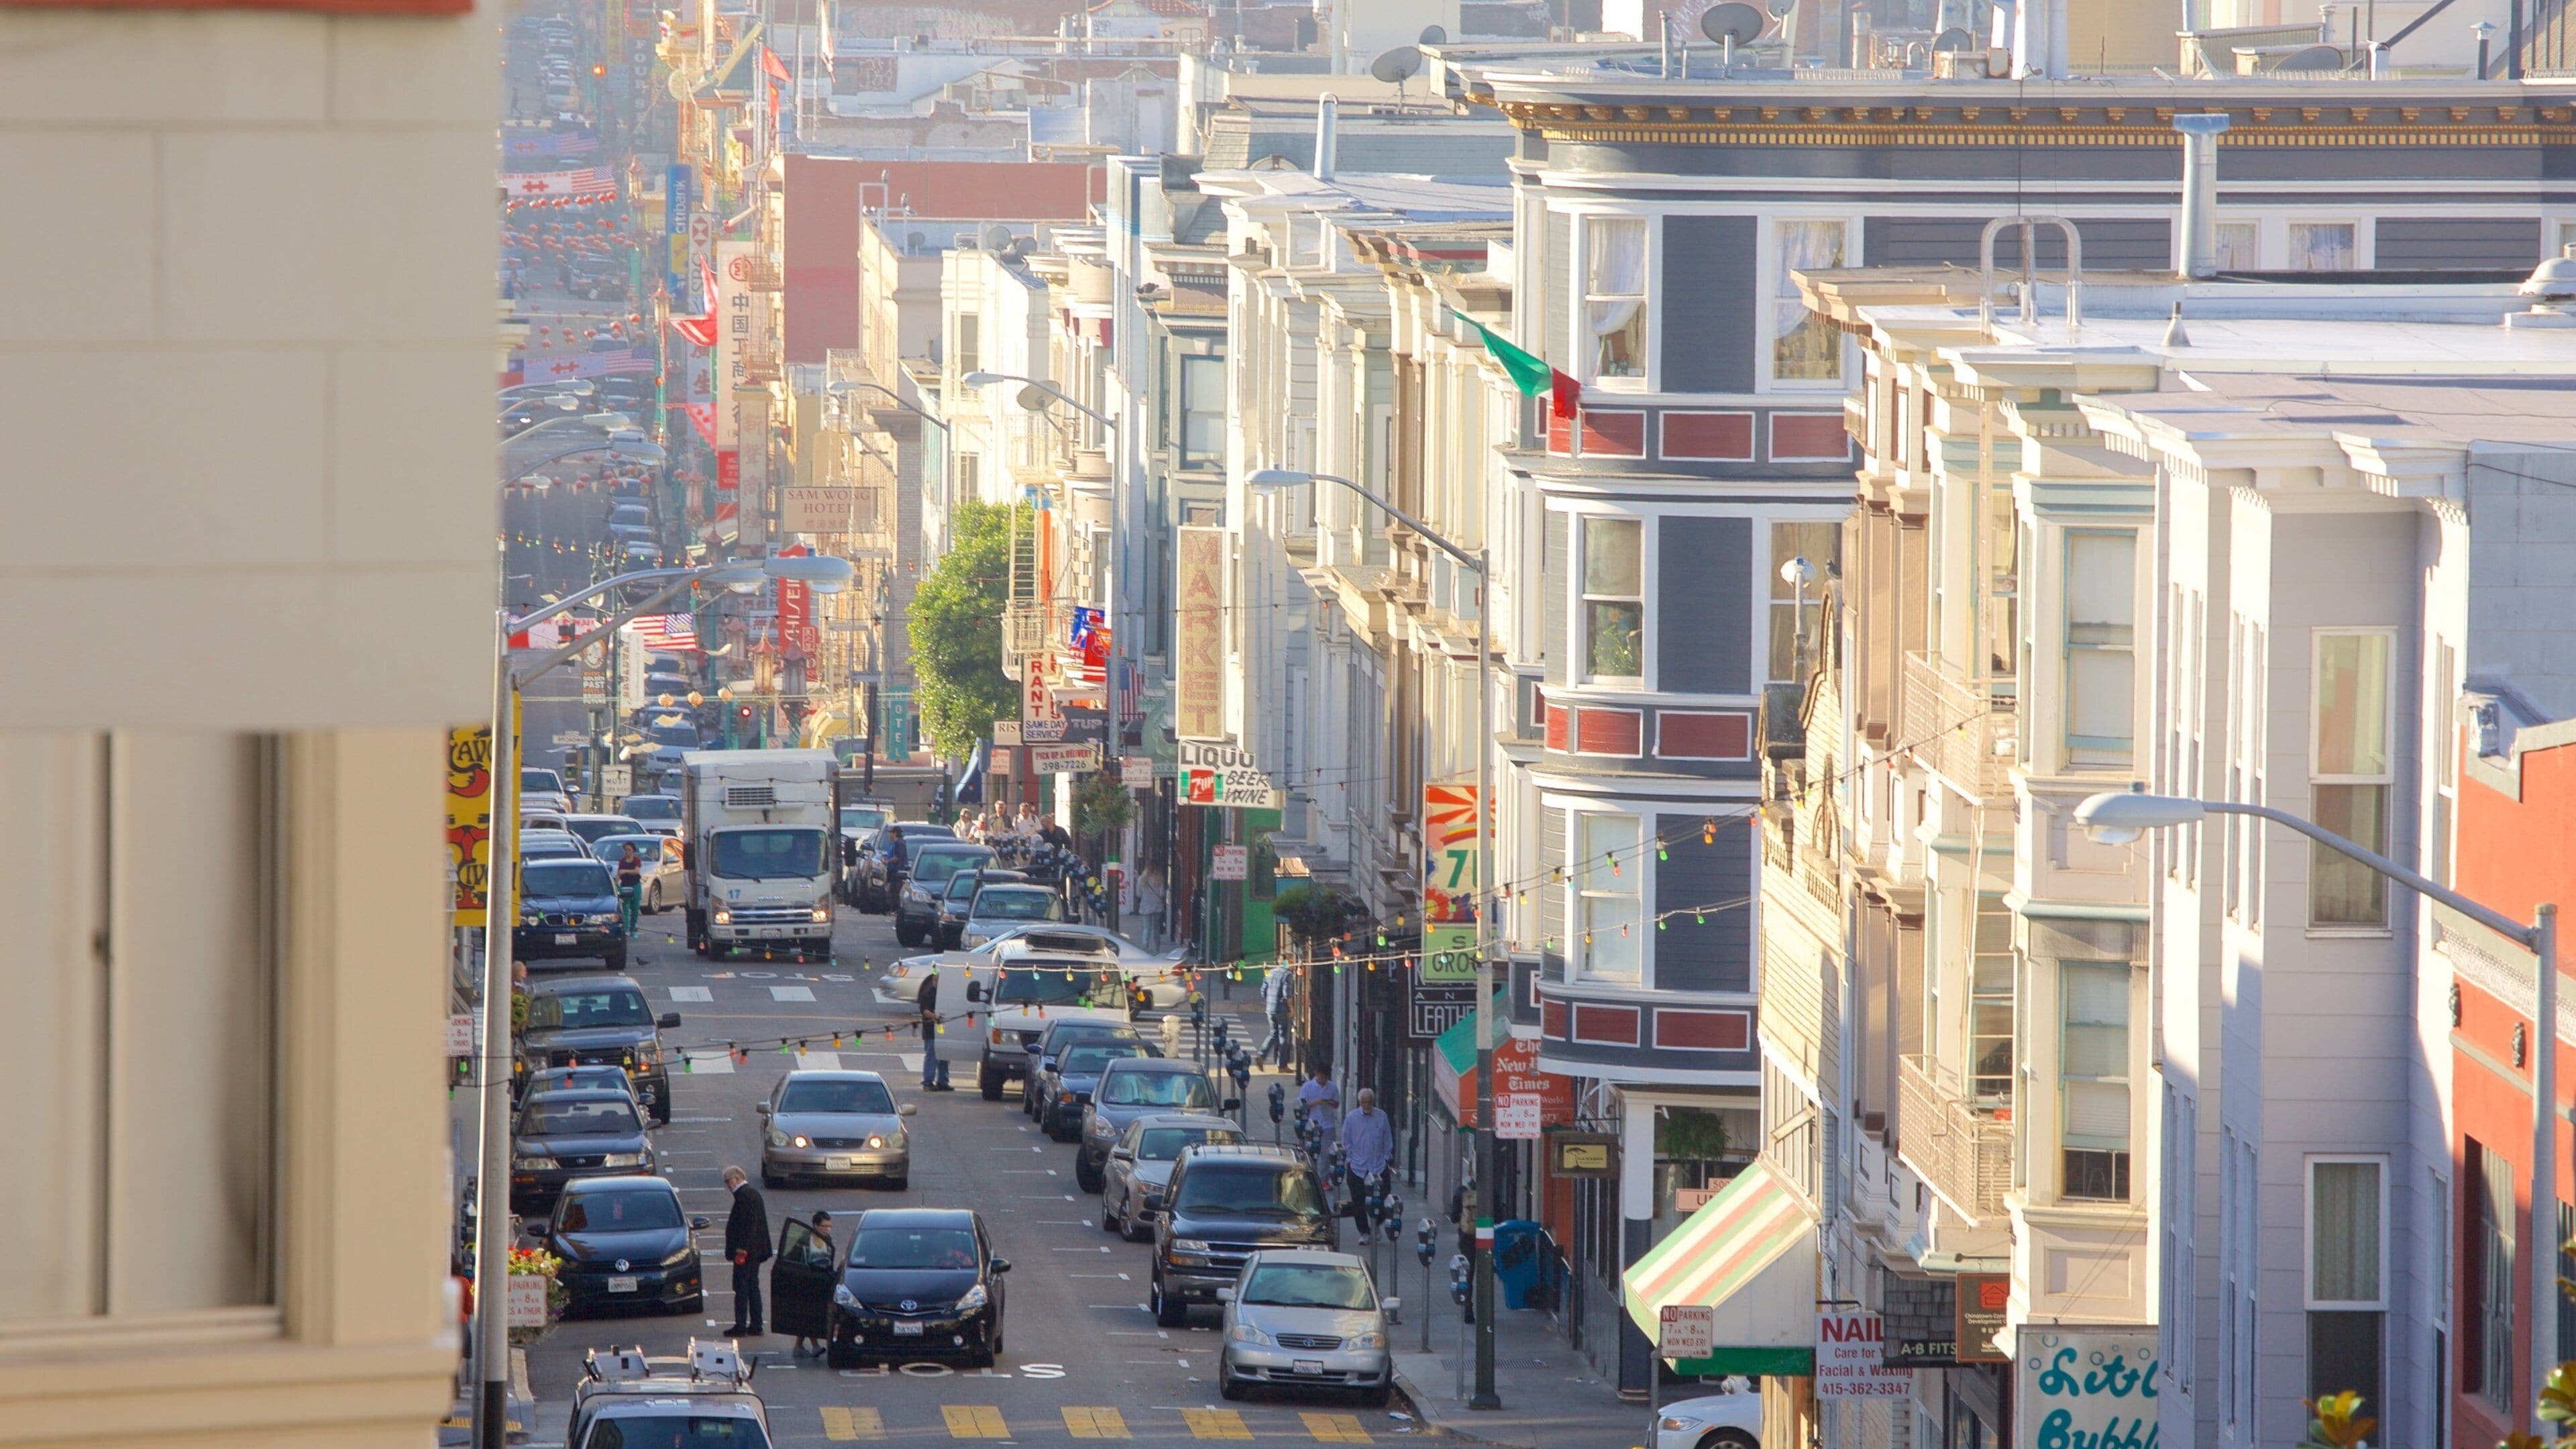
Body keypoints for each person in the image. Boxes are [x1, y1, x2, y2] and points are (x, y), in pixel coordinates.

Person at [720, 1166, 771, 1336]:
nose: (728, 1185)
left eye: (728, 1181)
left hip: (747, 1252)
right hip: (755, 1251)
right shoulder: (752, 1194)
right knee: (752, 1287)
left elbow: (749, 1224)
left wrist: (742, 1249)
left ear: (736, 1178)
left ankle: (741, 1325)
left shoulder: (744, 1196)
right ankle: (756, 1324)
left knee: (742, 1288)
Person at [1340, 1087, 1395, 1230]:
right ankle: (1364, 1232)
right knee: (1358, 1203)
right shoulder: (1351, 1118)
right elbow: (1346, 1141)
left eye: (1369, 1102)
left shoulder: (1381, 1116)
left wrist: (1386, 1158)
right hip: (1358, 1167)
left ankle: (1375, 1225)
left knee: (1384, 1199)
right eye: (1364, 1102)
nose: (1367, 1105)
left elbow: (1387, 1139)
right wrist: (1350, 1159)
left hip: (1378, 1166)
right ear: (1360, 1102)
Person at [792, 1212, 835, 1357]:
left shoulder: (828, 1240)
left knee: (811, 1315)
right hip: (807, 1282)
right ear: (815, 1225)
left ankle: (799, 1346)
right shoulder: (805, 1239)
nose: (827, 1229)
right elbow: (794, 1256)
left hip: (821, 1282)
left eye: (829, 1226)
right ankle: (815, 1346)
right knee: (810, 1313)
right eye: (824, 1226)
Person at [1257, 963, 1295, 1069]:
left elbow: (1263, 991)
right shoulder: (1287, 975)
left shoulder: (1270, 972)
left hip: (1270, 1009)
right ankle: (1282, 1065)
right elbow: (1287, 994)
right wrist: (1292, 1009)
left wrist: (1270, 1000)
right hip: (1282, 1010)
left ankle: (1261, 1055)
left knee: (1273, 1034)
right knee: (1284, 1038)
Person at [1297, 1065, 1341, 1155]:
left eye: (1326, 1078)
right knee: (1310, 1153)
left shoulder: (1332, 1087)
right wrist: (1317, 1102)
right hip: (1311, 1124)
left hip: (1328, 1125)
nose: (1323, 1080)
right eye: (1322, 1077)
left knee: (1326, 1154)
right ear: (1317, 1074)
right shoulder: (1307, 1087)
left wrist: (1328, 1102)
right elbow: (1302, 1106)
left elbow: (1336, 1104)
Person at [918, 987, 952, 1091]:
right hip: (931, 1031)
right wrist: (935, 1016)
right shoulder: (928, 993)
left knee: (944, 1056)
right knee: (932, 1056)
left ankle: (943, 1081)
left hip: (943, 1029)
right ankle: (928, 1082)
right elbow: (925, 1011)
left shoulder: (947, 993)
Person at [614, 843, 645, 936]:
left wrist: (626, 871)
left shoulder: (637, 860)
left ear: (633, 851)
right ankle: (626, 928)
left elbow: (636, 871)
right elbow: (619, 874)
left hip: (635, 886)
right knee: (625, 908)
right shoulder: (622, 861)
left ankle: (633, 928)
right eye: (626, 850)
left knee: (635, 908)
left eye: (629, 850)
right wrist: (615, 884)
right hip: (625, 886)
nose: (627, 852)